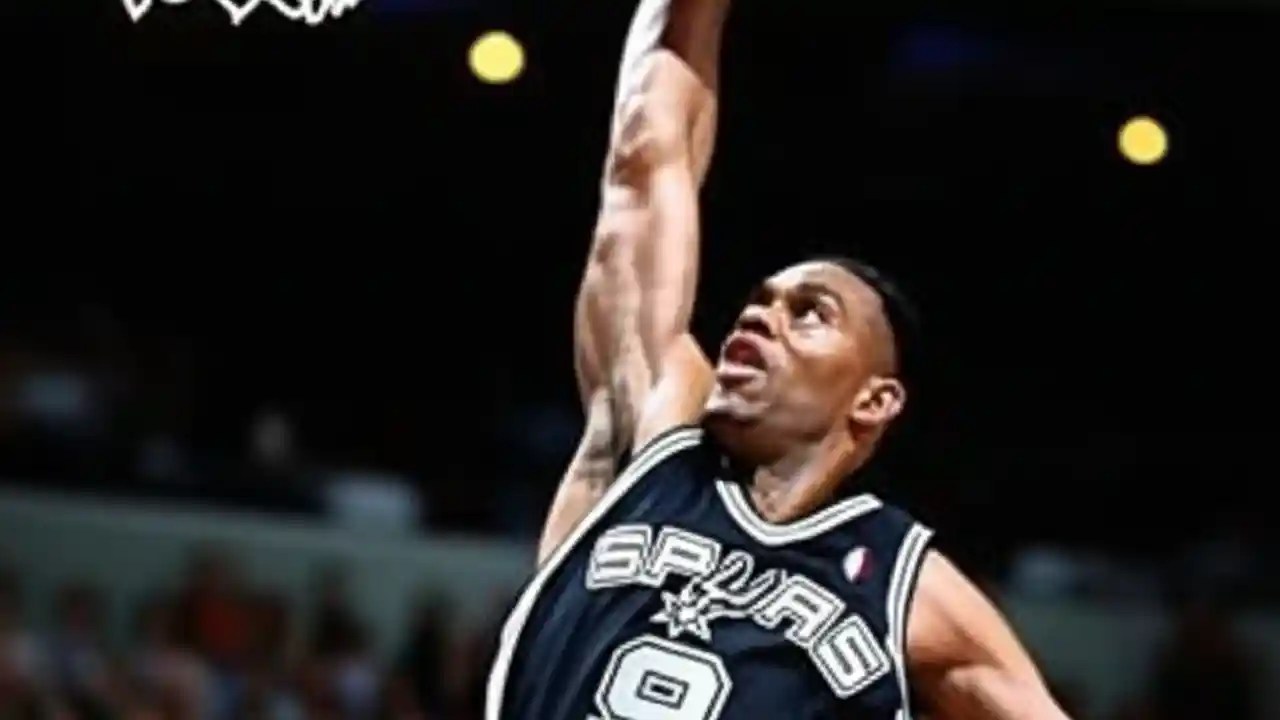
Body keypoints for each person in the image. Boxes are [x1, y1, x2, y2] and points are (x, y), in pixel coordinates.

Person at [485, 0, 1072, 718]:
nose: (762, 314)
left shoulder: (903, 585)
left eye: (810, 313)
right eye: (760, 300)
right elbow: (644, 162)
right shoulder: (655, 448)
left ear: (874, 400)